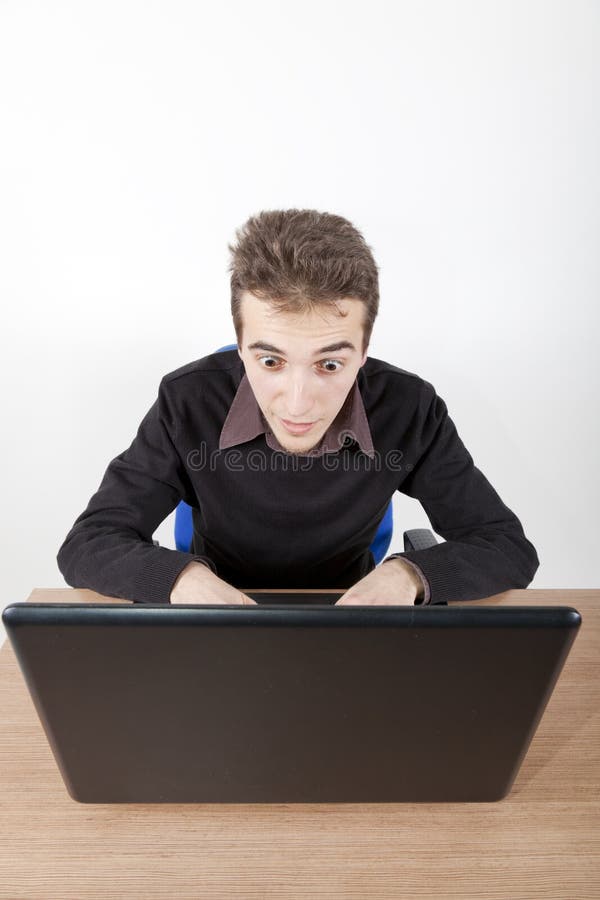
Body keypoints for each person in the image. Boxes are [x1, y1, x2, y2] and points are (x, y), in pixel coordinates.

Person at [57, 209, 539, 607]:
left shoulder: (409, 408)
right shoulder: (187, 401)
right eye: (270, 360)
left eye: (330, 364)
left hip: (352, 633)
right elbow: (90, 542)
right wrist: (180, 580)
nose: (298, 400)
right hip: (215, 634)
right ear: (240, 347)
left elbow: (506, 545)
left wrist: (409, 574)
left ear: (364, 351)